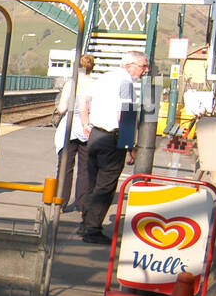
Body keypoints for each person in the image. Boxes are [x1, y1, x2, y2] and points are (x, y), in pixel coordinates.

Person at [79, 52, 150, 244]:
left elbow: (83, 101)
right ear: (130, 65)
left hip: (95, 134)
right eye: (143, 66)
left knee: (92, 182)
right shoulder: (126, 82)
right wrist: (129, 147)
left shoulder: (104, 77)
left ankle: (85, 223)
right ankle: (92, 230)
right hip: (112, 137)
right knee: (106, 185)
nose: (145, 71)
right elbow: (124, 115)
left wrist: (86, 125)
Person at [54, 53, 97, 213]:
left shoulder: (71, 84)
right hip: (88, 129)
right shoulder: (95, 84)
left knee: (65, 166)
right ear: (91, 67)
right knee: (85, 168)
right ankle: (82, 204)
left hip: (69, 129)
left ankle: (61, 202)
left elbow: (62, 108)